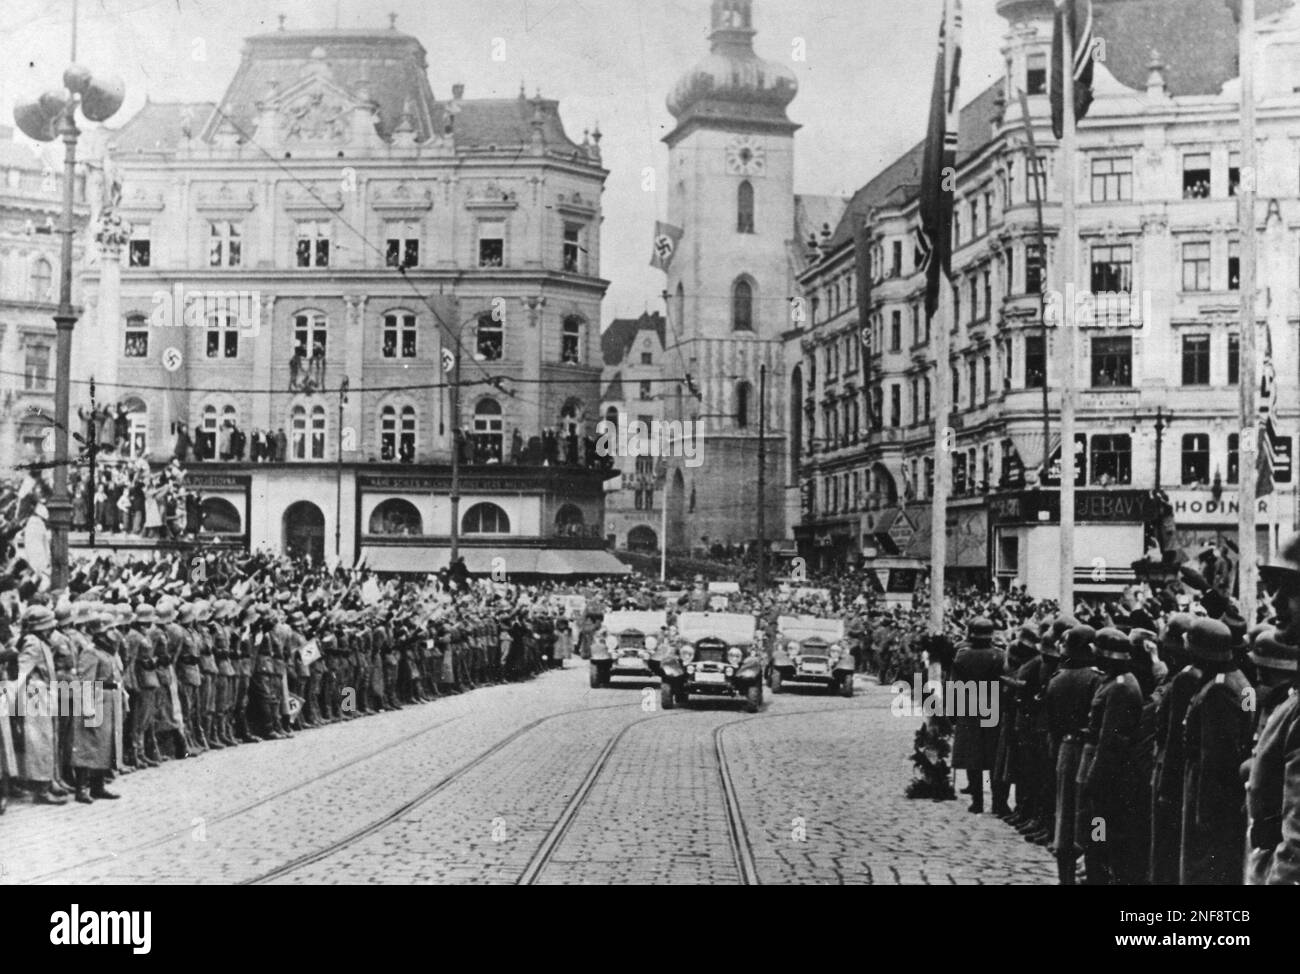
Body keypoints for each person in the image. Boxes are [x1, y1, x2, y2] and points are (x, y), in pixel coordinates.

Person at [1180, 617, 1253, 885]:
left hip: (1210, 792)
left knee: (1201, 866)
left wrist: (1204, 813)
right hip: (1230, 790)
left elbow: (1214, 757)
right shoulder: (1240, 681)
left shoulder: (1218, 689)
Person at [1078, 627, 1145, 885]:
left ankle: (1097, 876)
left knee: (1099, 830)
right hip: (1107, 770)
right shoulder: (1115, 681)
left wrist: (1095, 779)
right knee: (1096, 829)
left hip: (1109, 776)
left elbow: (1110, 742)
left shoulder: (1120, 687)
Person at [1044, 624, 1103, 885]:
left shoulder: (1057, 679)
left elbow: (1051, 727)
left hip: (1066, 751)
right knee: (1092, 815)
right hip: (1091, 751)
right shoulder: (1096, 679)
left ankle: (1065, 878)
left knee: (1065, 817)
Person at [1243, 628, 1300, 885]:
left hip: (1279, 846)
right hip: (1264, 841)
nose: (1259, 674)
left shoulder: (1291, 708)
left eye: (1265, 669)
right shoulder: (1265, 699)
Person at [948, 617, 1005, 815]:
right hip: (994, 708)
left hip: (969, 708)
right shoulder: (1000, 655)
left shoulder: (962, 656)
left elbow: (954, 686)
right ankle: (998, 802)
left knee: (973, 757)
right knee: (994, 757)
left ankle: (977, 801)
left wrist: (952, 712)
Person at [71, 606, 122, 803]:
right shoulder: (91, 653)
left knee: (104, 744)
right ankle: (81, 788)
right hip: (96, 700)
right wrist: (88, 708)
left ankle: (98, 786)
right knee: (88, 743)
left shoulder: (108, 652)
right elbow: (85, 683)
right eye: (108, 631)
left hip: (109, 699)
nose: (113, 635)